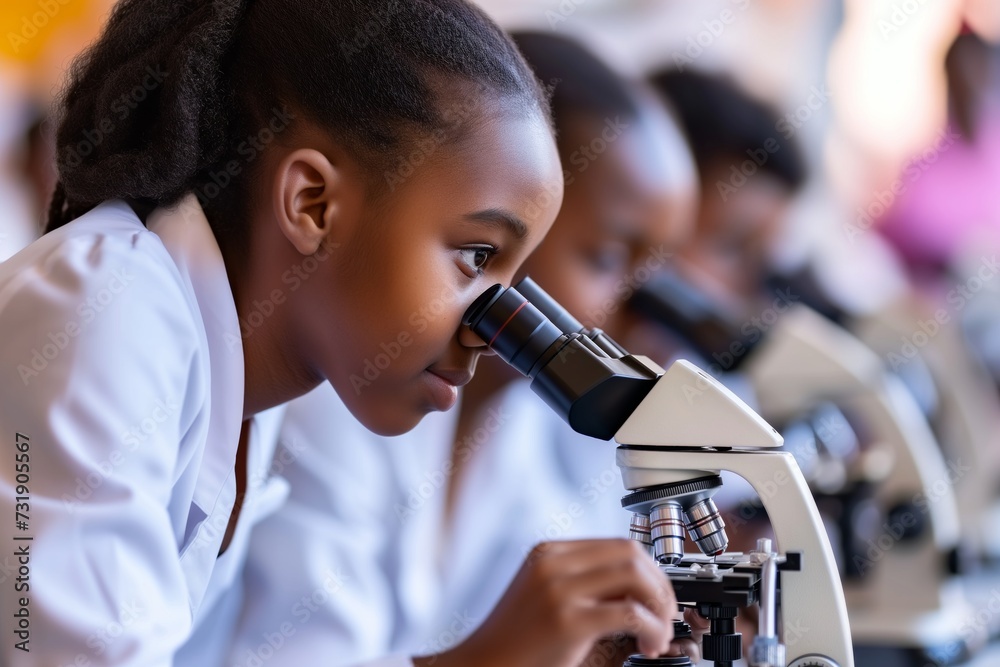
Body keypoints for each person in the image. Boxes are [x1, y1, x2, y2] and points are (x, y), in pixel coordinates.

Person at [0, 3, 683, 666]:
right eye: (478, 256)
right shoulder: (107, 309)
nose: (490, 328)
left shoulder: (243, 386)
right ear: (312, 204)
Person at [230, 31, 704, 667]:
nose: (648, 317)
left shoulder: (510, 433)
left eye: (658, 278)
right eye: (609, 258)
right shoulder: (337, 399)